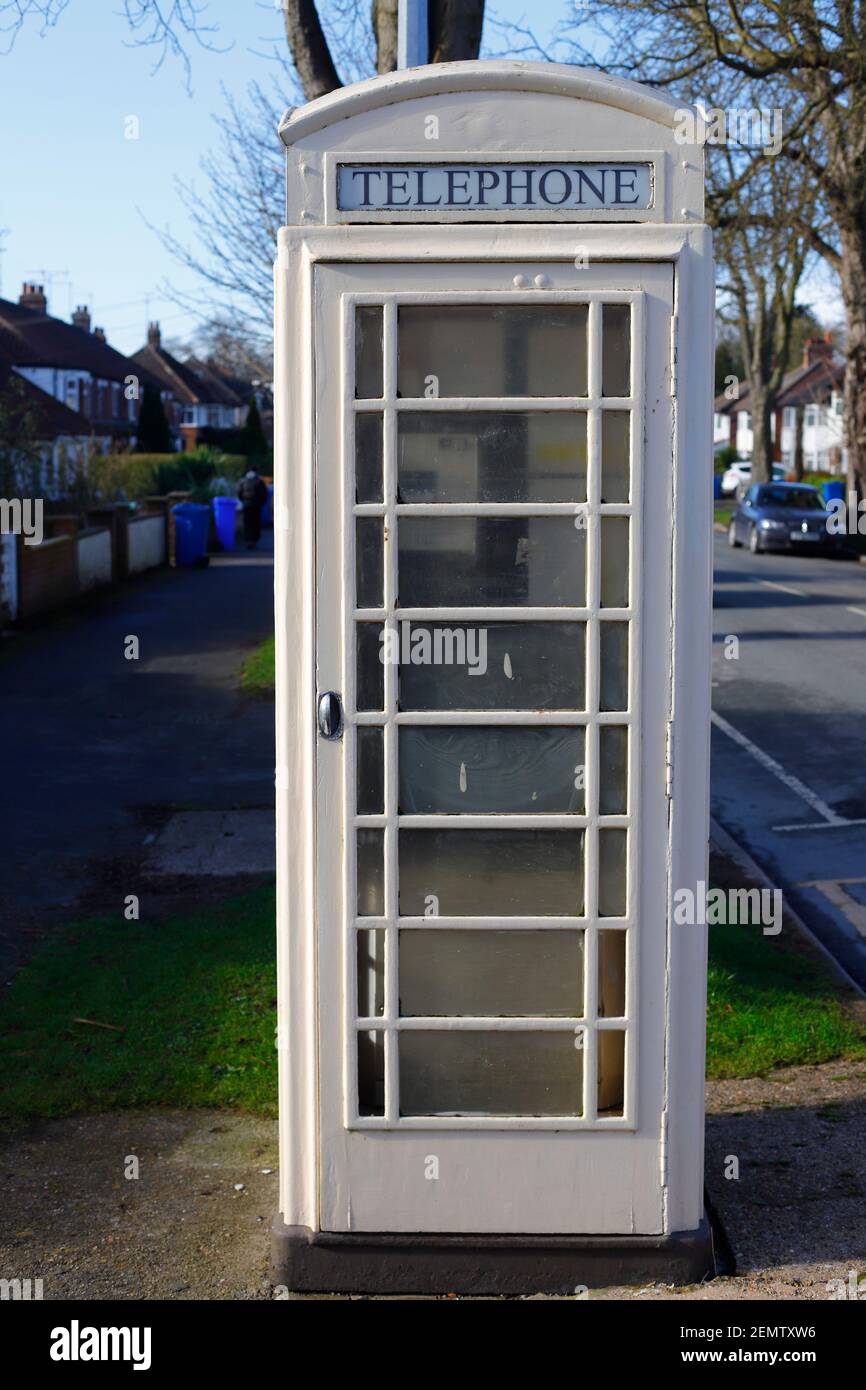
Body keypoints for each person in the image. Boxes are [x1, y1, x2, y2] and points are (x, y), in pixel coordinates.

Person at [237, 467, 269, 550]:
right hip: (256, 506)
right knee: (255, 523)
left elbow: (238, 492)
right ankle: (254, 541)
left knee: (247, 523)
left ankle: (248, 540)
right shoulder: (259, 481)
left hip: (246, 505)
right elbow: (264, 494)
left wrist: (244, 500)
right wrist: (261, 503)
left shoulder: (243, 481)